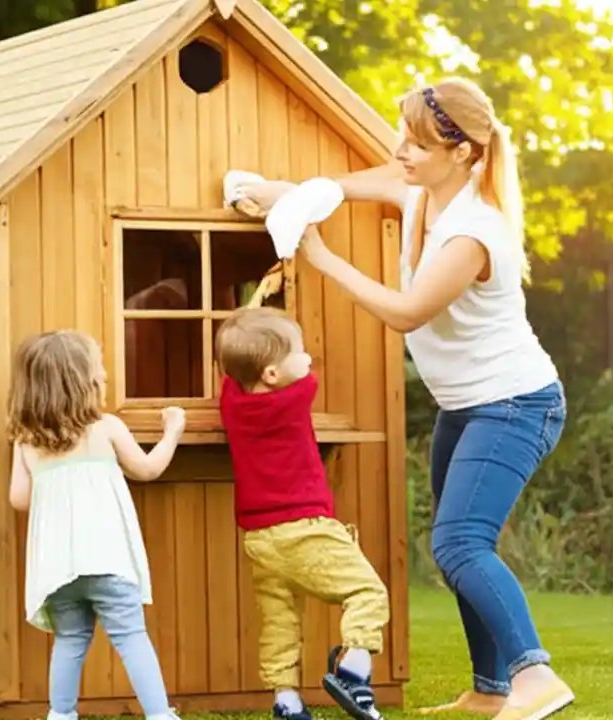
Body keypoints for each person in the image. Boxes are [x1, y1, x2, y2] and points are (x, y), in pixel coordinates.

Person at [239, 77, 573, 720]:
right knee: (456, 548)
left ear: (464, 154)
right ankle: (490, 689)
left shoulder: (471, 233)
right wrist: (287, 196)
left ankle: (537, 677)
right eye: (403, 136)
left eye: (417, 142)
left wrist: (322, 256)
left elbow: (407, 313)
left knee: (459, 542)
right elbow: (342, 187)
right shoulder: (420, 194)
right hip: (466, 404)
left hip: (516, 403)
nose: (402, 151)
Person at [216, 307, 390, 720]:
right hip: (304, 528)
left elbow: (231, 378)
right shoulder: (295, 399)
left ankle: (286, 700)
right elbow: (305, 380)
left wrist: (248, 326)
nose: (308, 359)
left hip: (260, 539)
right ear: (273, 374)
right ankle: (354, 668)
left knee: (280, 620)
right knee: (367, 592)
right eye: (300, 351)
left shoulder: (234, 406)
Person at [8, 329, 185, 720]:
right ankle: (160, 715)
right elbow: (147, 468)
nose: (104, 375)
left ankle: (61, 714)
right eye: (99, 368)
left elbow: (19, 499)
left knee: (70, 639)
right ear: (82, 381)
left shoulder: (26, 441)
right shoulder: (106, 427)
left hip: (58, 569)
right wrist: (172, 431)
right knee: (131, 637)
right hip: (108, 560)